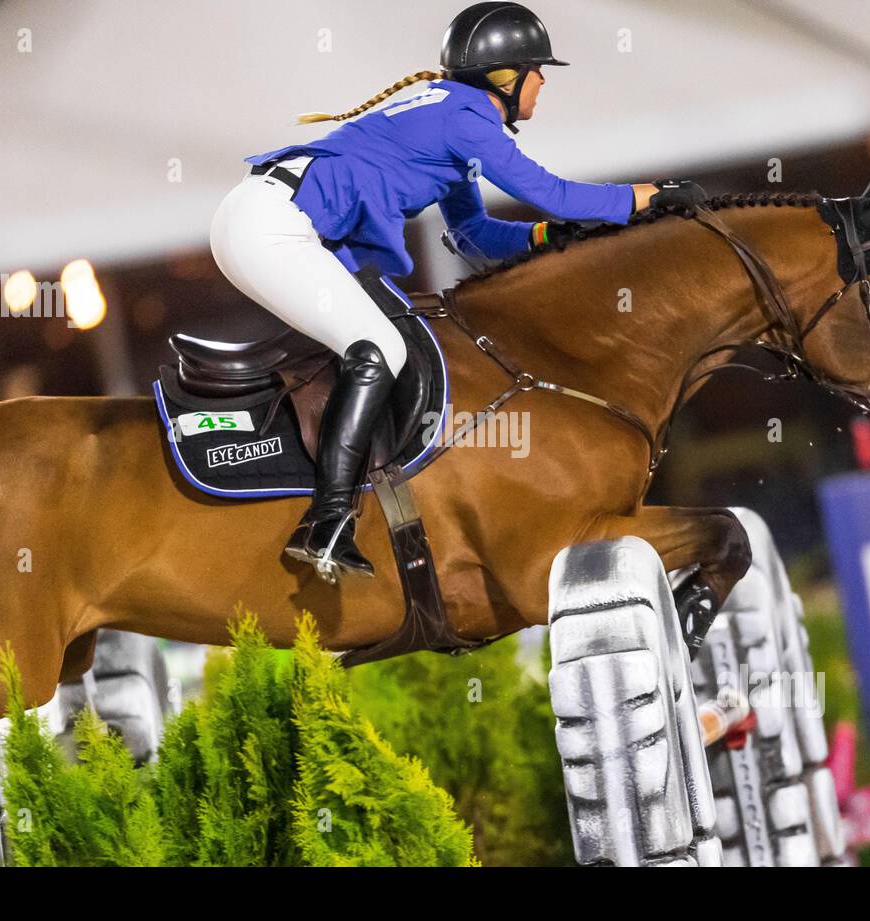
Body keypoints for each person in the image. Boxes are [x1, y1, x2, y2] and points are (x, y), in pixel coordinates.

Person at [209, 1, 696, 581]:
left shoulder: (455, 115)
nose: (543, 82)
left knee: (397, 335)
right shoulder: (470, 118)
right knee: (381, 348)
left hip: (273, 219)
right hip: (272, 226)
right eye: (537, 69)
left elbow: (472, 234)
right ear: (505, 77)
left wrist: (545, 236)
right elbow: (554, 191)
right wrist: (648, 197)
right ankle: (328, 521)